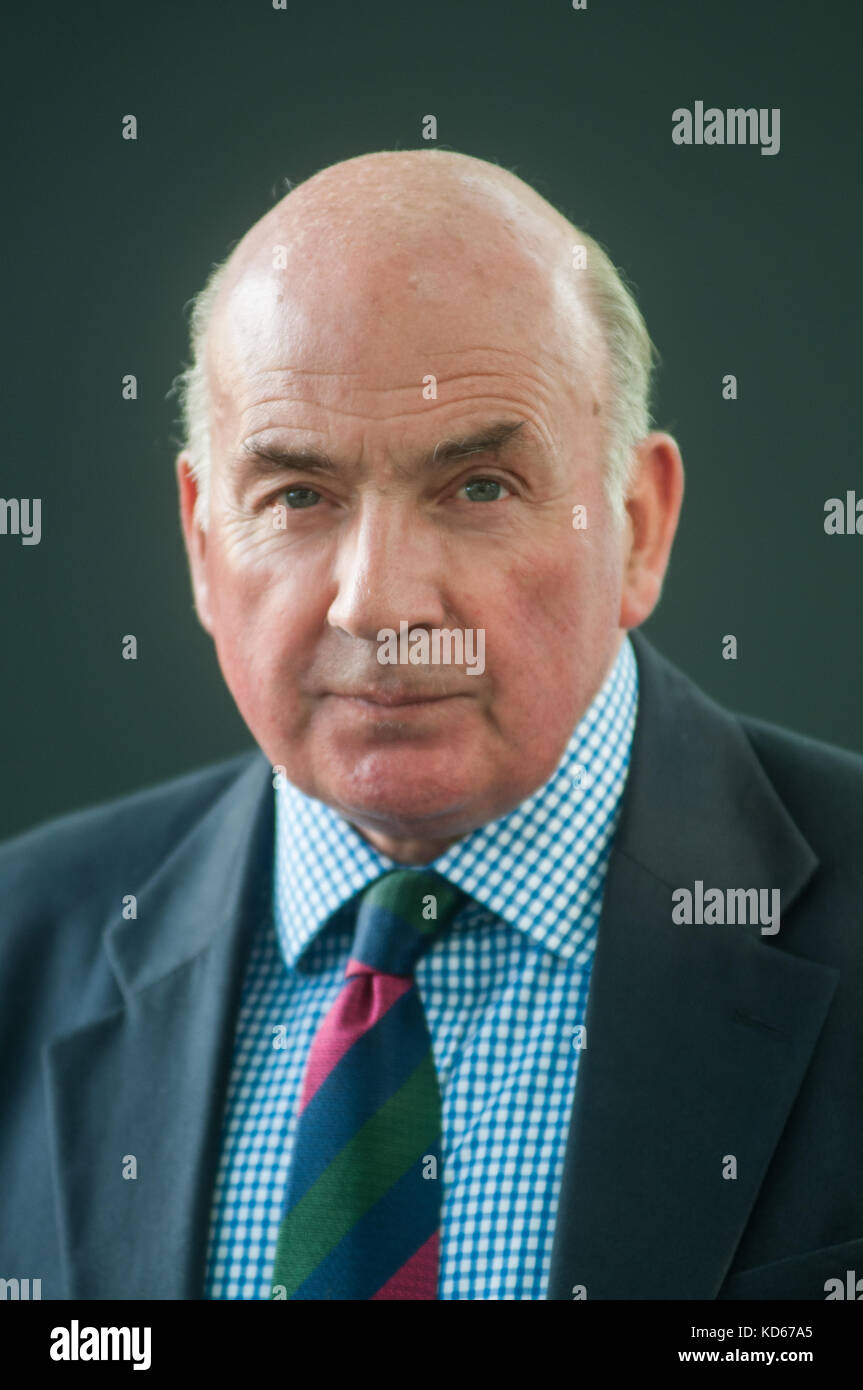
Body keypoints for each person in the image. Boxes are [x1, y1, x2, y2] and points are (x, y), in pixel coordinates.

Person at [2, 150, 862, 1301]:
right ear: (202, 542)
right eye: (297, 496)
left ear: (639, 525)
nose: (378, 604)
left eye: (479, 487)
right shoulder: (20, 946)